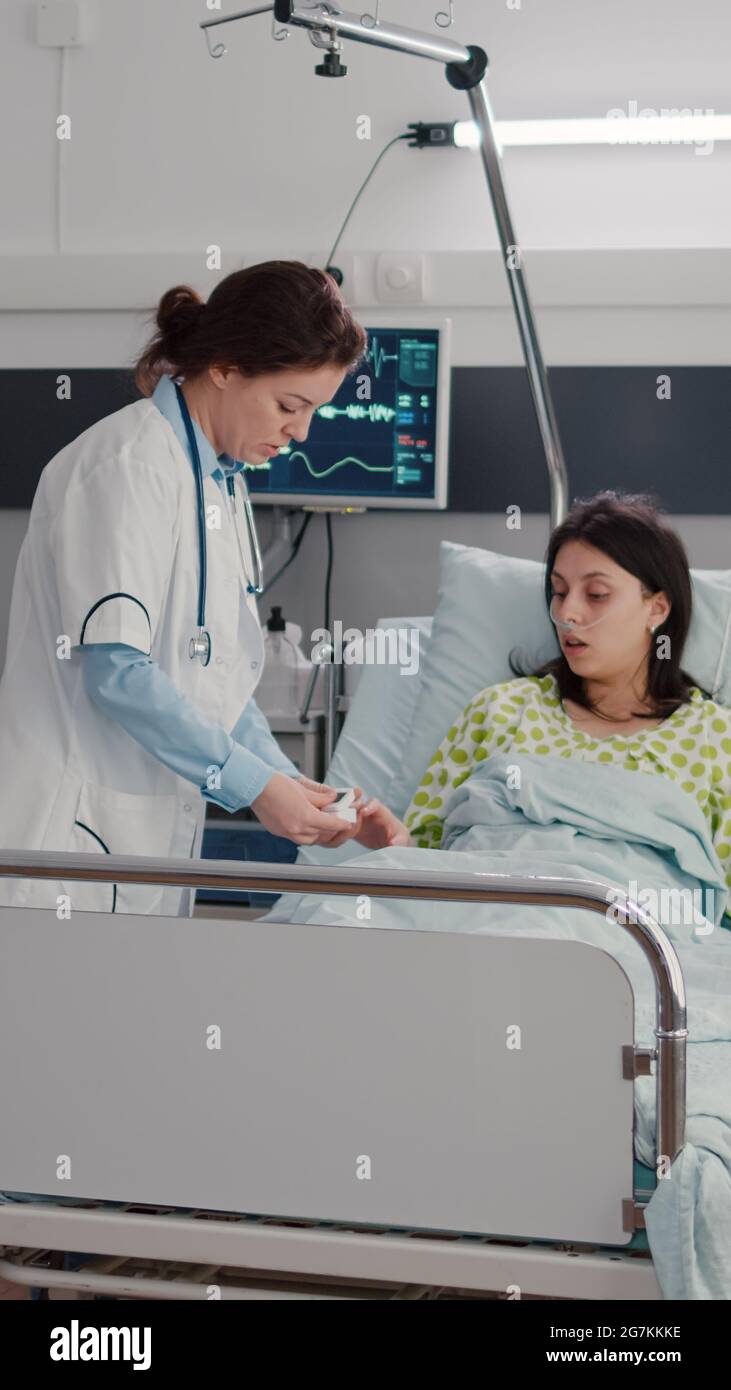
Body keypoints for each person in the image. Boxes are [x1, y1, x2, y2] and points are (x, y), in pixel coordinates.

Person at [0, 260, 394, 915]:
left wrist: (289, 783)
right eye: (289, 406)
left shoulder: (220, 480)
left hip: (141, 835)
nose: (301, 433)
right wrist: (254, 787)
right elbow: (119, 670)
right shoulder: (126, 469)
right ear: (227, 367)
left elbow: (208, 680)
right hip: (68, 833)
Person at [363, 492, 731, 900]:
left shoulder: (714, 739)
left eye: (596, 595)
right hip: (479, 924)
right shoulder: (501, 711)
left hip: (625, 945)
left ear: (657, 608)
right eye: (559, 592)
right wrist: (395, 843)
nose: (567, 613)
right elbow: (427, 865)